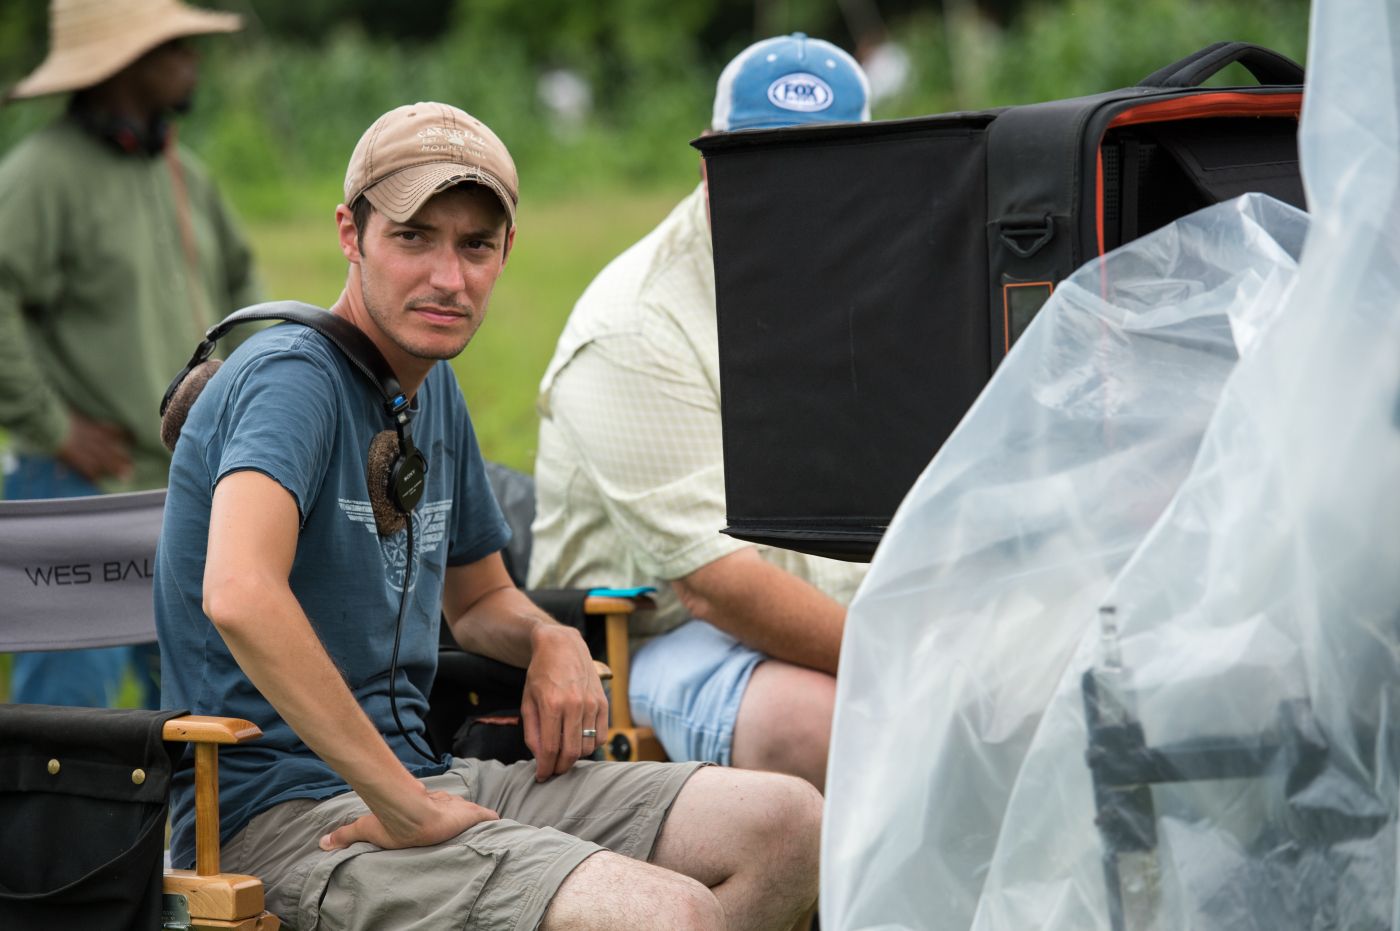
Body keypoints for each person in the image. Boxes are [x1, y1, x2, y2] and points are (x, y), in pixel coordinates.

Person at [154, 101, 821, 931]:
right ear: (349, 233)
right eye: (414, 237)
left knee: (792, 827)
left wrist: (549, 638)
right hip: (286, 823)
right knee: (669, 914)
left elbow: (475, 603)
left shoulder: (432, 391)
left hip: (434, 777)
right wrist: (402, 805)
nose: (448, 277)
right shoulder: (293, 376)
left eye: (475, 245)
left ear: (507, 250)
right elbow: (239, 591)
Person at [529, 34, 871, 791]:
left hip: (842, 603)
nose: (791, 192)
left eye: (825, 166)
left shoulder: (885, 284)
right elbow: (716, 584)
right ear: (710, 159)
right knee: (823, 723)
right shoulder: (633, 323)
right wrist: (906, 658)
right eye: (761, 165)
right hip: (654, 633)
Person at [0, 0, 258, 708]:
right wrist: (53, 427)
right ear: (123, 65)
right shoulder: (40, 176)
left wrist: (254, 394)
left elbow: (242, 278)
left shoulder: (183, 170)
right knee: (65, 730)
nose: (192, 60)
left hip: (184, 489)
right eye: (174, 46)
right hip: (78, 493)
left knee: (196, 724)